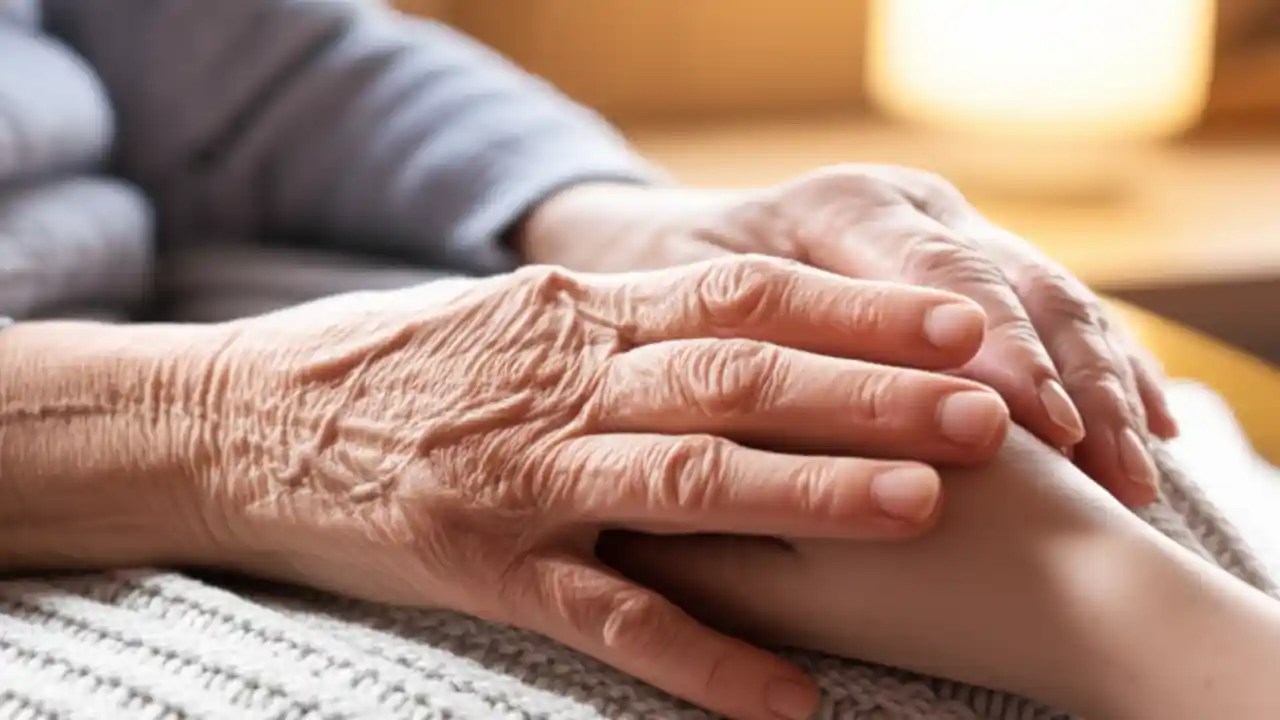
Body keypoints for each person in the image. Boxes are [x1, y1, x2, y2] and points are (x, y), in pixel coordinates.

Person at [0, 1, 1194, 718]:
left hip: (187, 294)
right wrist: (220, 425)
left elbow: (241, 58)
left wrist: (608, 216)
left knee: (1017, 439)